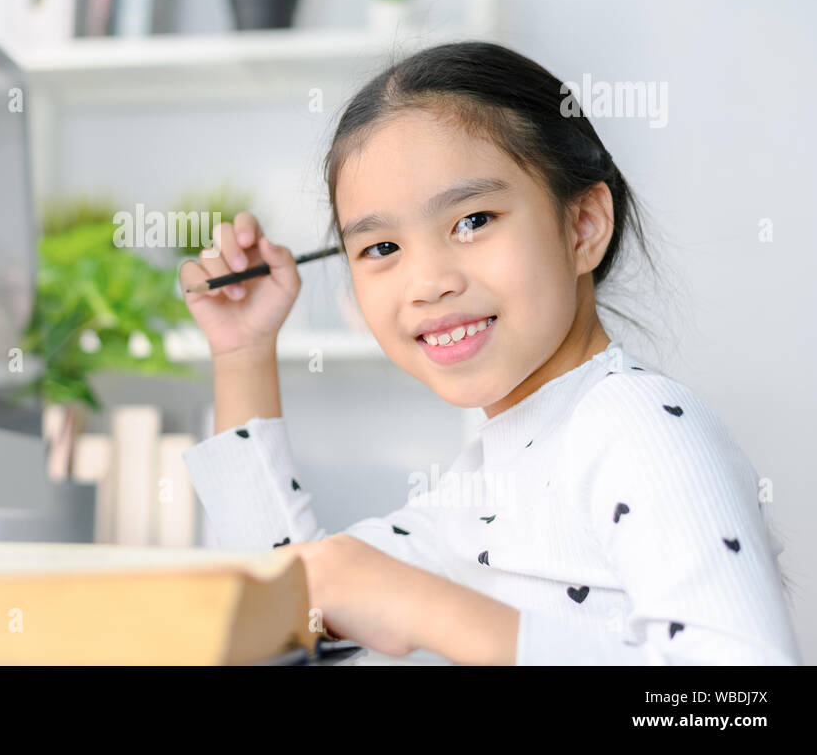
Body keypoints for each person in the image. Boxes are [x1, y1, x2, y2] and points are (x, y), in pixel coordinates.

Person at [177, 41, 800, 665]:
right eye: (382, 248)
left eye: (473, 220)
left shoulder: (640, 428)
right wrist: (243, 354)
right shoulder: (479, 485)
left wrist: (426, 607)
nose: (429, 283)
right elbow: (290, 598)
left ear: (582, 226)